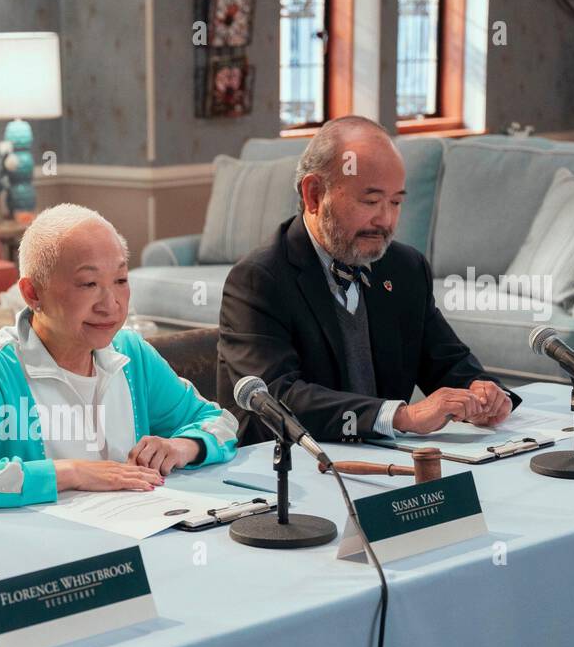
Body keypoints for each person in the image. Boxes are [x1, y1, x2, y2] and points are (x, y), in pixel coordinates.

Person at [217, 115, 521, 444]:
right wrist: (405, 416)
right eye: (371, 201)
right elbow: (277, 399)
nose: (386, 220)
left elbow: (448, 362)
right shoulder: (258, 280)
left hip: (385, 464)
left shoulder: (404, 268)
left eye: (396, 202)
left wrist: (483, 392)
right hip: (287, 471)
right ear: (314, 195)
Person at [0, 203, 237, 508]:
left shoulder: (132, 353)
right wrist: (72, 472)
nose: (111, 304)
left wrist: (182, 447)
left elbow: (219, 422)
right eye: (89, 284)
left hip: (139, 529)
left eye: (120, 280)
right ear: (33, 293)